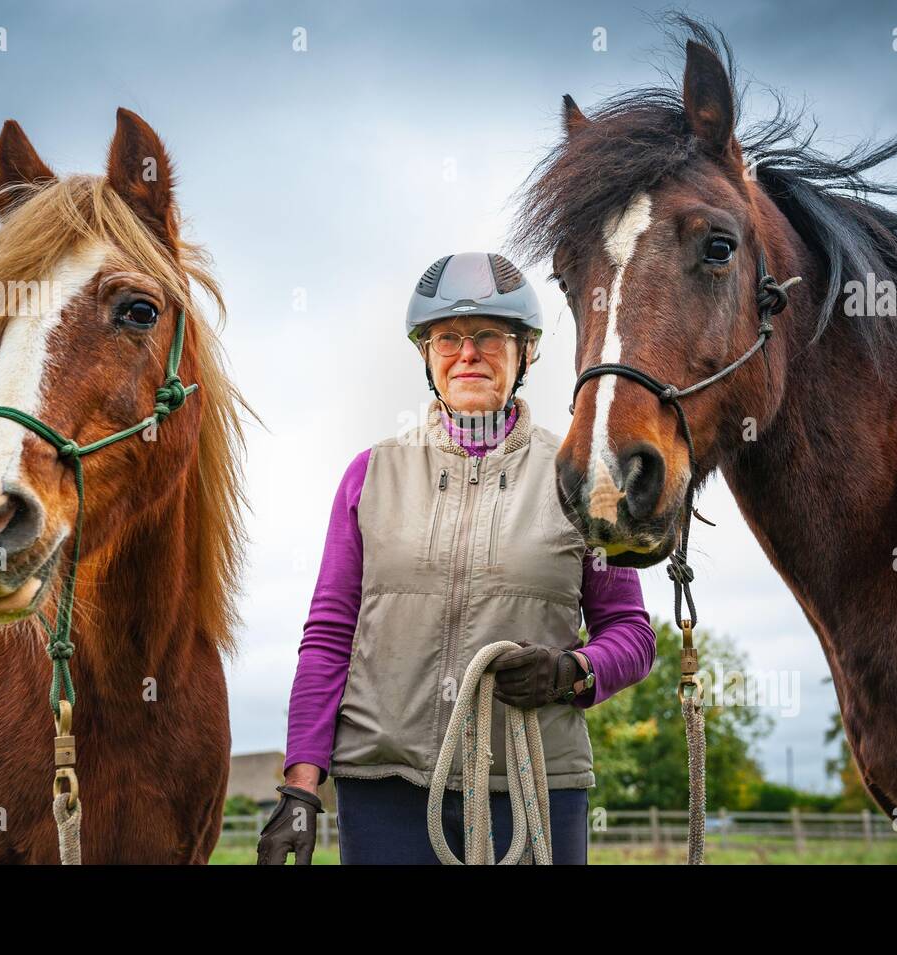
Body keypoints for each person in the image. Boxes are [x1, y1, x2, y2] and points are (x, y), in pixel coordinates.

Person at [256, 252, 657, 865]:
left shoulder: (582, 479)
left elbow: (632, 635)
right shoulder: (369, 476)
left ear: (526, 352)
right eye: (447, 338)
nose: (466, 353)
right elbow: (329, 638)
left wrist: (570, 672)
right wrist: (301, 787)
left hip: (532, 791)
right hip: (383, 790)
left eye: (489, 336)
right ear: (426, 355)